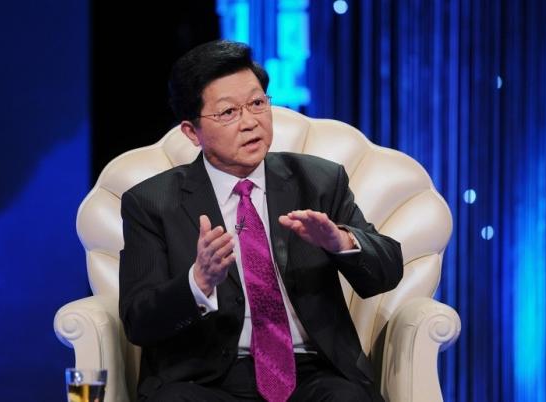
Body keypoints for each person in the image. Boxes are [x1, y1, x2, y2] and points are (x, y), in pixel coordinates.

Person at [119, 39, 403, 402]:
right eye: (228, 112)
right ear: (191, 132)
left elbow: (388, 271)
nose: (250, 122)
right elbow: (138, 321)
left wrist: (341, 242)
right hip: (206, 381)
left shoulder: (318, 181)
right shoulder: (152, 203)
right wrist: (198, 282)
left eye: (257, 104)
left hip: (312, 375)